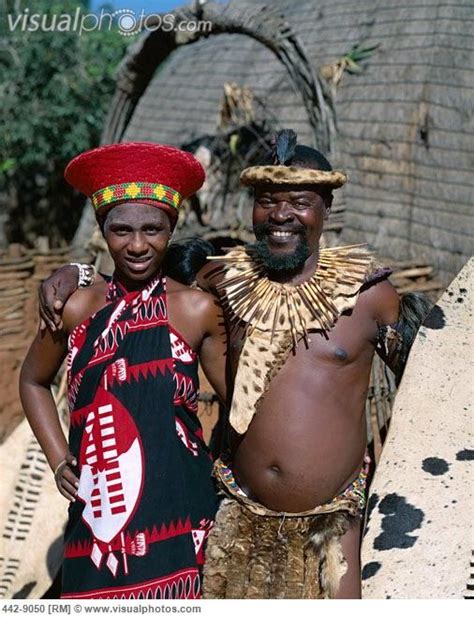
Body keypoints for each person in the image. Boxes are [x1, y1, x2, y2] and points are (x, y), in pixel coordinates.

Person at [38, 131, 430, 599]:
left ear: (326, 207)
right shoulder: (222, 278)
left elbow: (427, 395)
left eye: (300, 202)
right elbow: (136, 266)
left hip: (330, 524)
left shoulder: (370, 298)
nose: (281, 215)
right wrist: (75, 272)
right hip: (233, 512)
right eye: (267, 201)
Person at [20, 142, 227, 600]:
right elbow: (32, 381)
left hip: (183, 517)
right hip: (99, 523)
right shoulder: (74, 307)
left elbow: (242, 403)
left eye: (153, 229)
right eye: (121, 230)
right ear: (102, 230)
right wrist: (59, 459)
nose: (137, 245)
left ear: (171, 228)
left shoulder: (195, 310)